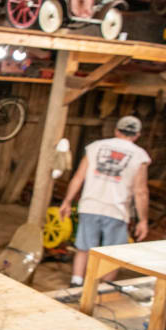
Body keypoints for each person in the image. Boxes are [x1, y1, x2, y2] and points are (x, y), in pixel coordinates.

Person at [59, 115, 151, 287]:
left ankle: (76, 282)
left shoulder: (95, 147)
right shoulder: (139, 156)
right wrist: (143, 220)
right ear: (137, 135)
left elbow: (78, 177)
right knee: (113, 253)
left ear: (116, 131)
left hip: (90, 205)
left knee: (84, 248)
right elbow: (141, 191)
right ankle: (102, 288)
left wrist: (67, 201)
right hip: (116, 209)